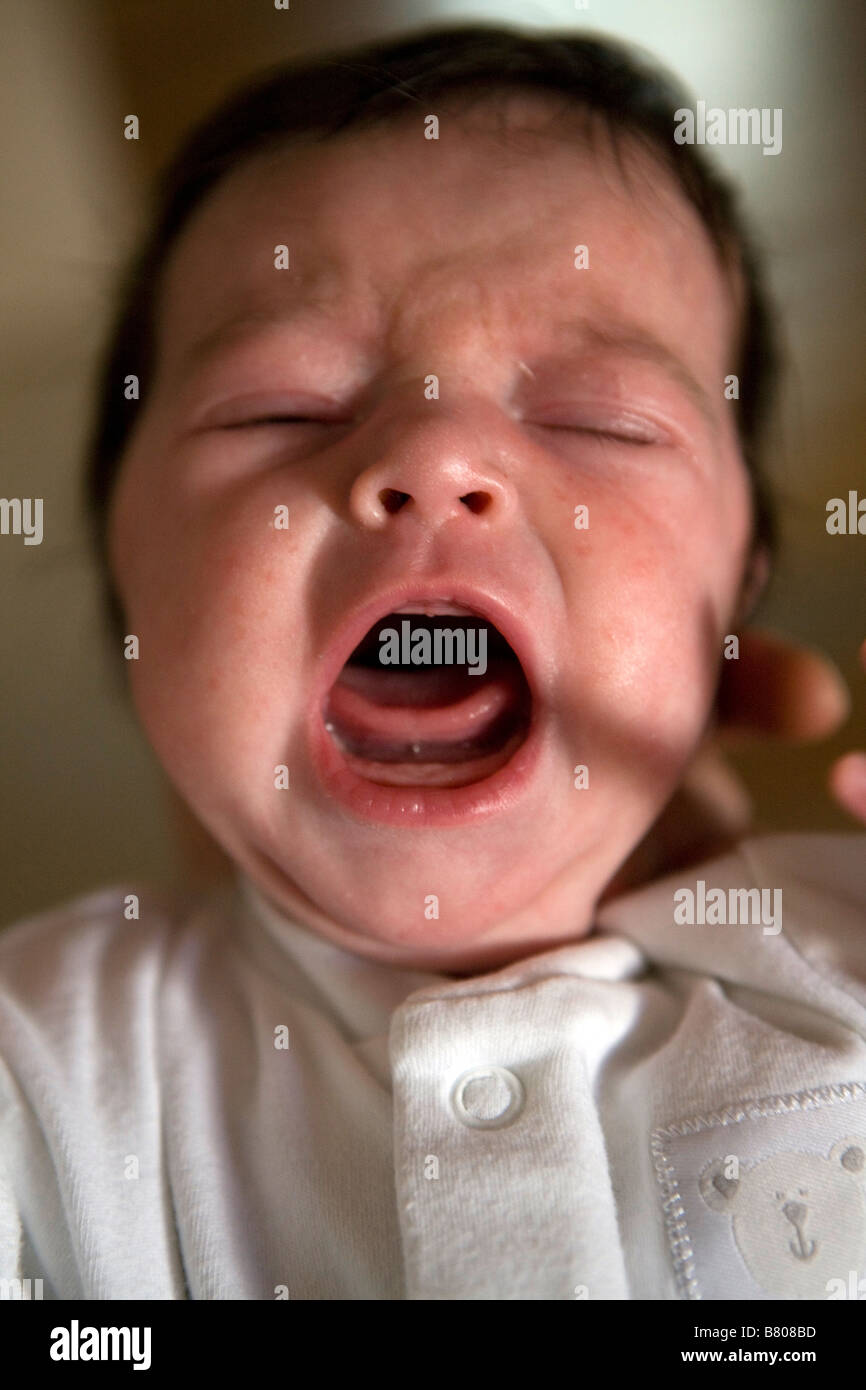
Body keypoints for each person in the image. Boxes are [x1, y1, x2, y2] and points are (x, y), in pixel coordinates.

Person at [1, 25, 864, 1301]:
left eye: (599, 419)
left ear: (732, 594)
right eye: (279, 408)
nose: (435, 458)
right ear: (136, 571)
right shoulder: (51, 1066)